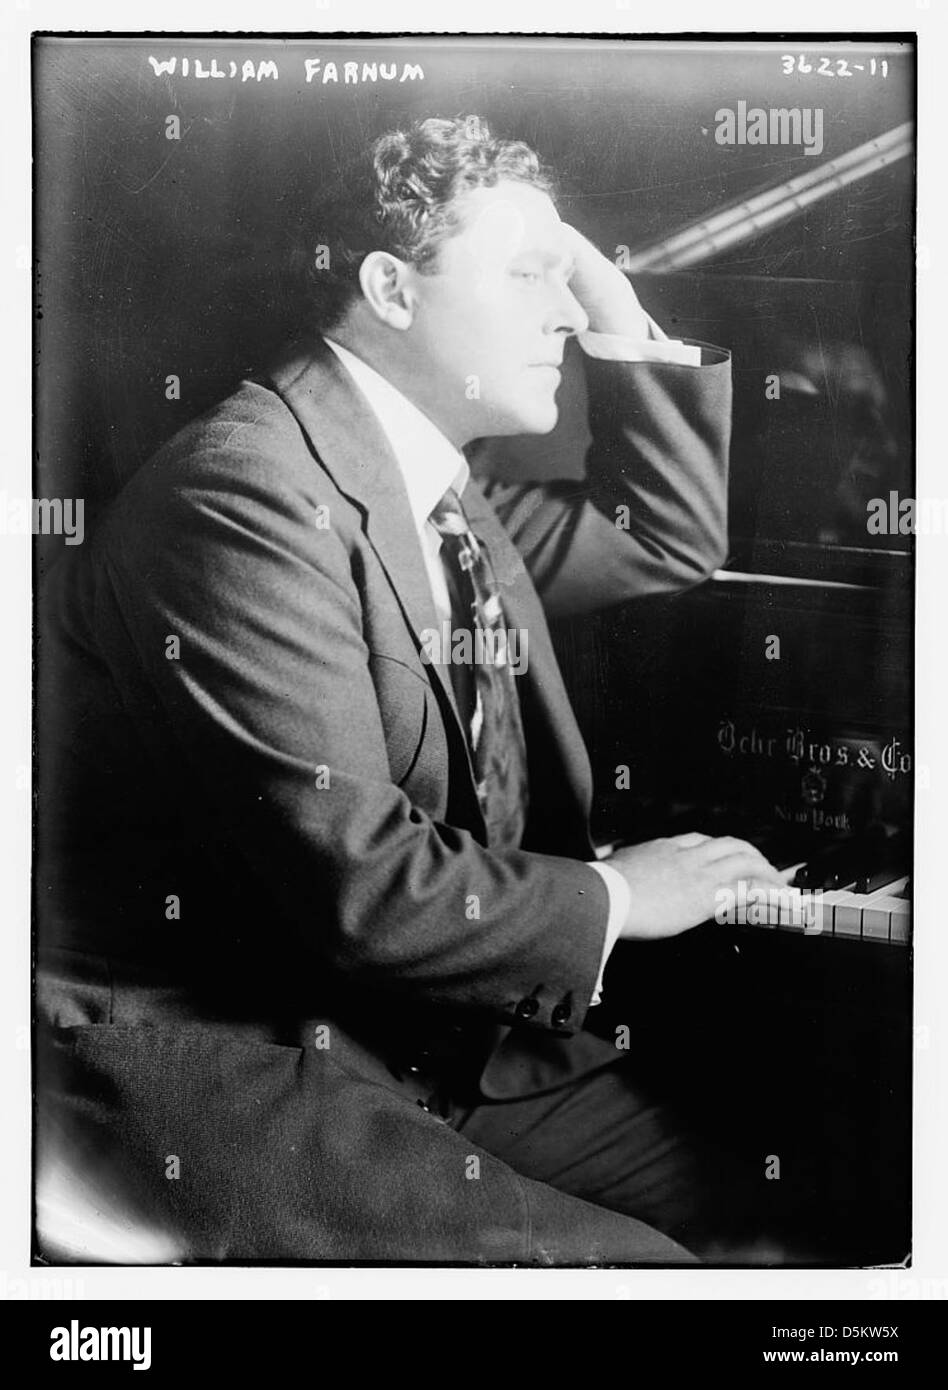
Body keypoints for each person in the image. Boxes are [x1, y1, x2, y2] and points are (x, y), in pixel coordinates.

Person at [35, 115, 791, 1265]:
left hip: (404, 1041)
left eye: (566, 279)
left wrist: (618, 309)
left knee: (787, 1215)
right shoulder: (244, 494)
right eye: (528, 276)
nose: (569, 314)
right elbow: (360, 883)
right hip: (223, 1061)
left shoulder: (430, 485)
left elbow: (665, 539)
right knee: (656, 1280)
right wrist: (620, 898)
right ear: (390, 287)